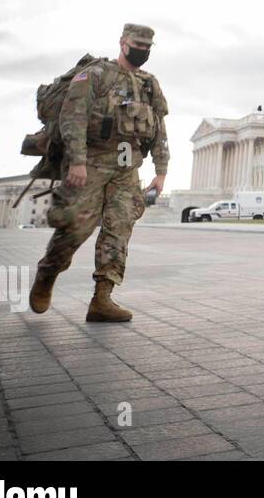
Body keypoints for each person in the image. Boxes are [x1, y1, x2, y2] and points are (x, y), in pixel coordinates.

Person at [29, 23, 170, 323]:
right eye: (137, 45)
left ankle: (102, 299)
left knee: (119, 229)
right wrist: (77, 161)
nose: (142, 51)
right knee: (75, 228)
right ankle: (48, 272)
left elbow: (159, 128)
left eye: (147, 48)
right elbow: (73, 117)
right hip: (91, 163)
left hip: (126, 170)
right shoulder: (95, 74)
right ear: (123, 43)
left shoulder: (149, 84)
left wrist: (161, 170)